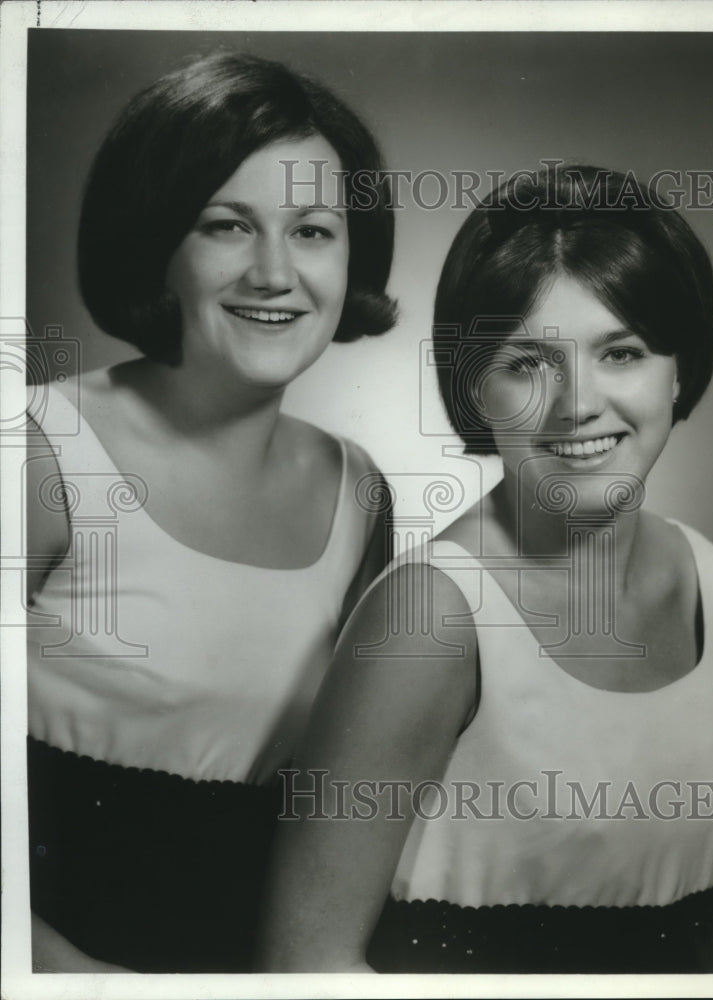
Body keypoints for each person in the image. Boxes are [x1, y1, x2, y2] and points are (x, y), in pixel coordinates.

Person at [257, 165, 713, 974]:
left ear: (678, 369)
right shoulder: (430, 615)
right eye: (526, 363)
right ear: (475, 389)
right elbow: (303, 965)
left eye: (621, 352)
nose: (576, 405)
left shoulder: (706, 574)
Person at [26, 51, 396, 973]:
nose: (274, 272)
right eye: (227, 225)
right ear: (157, 242)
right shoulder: (38, 452)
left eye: (312, 231)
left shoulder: (361, 493)